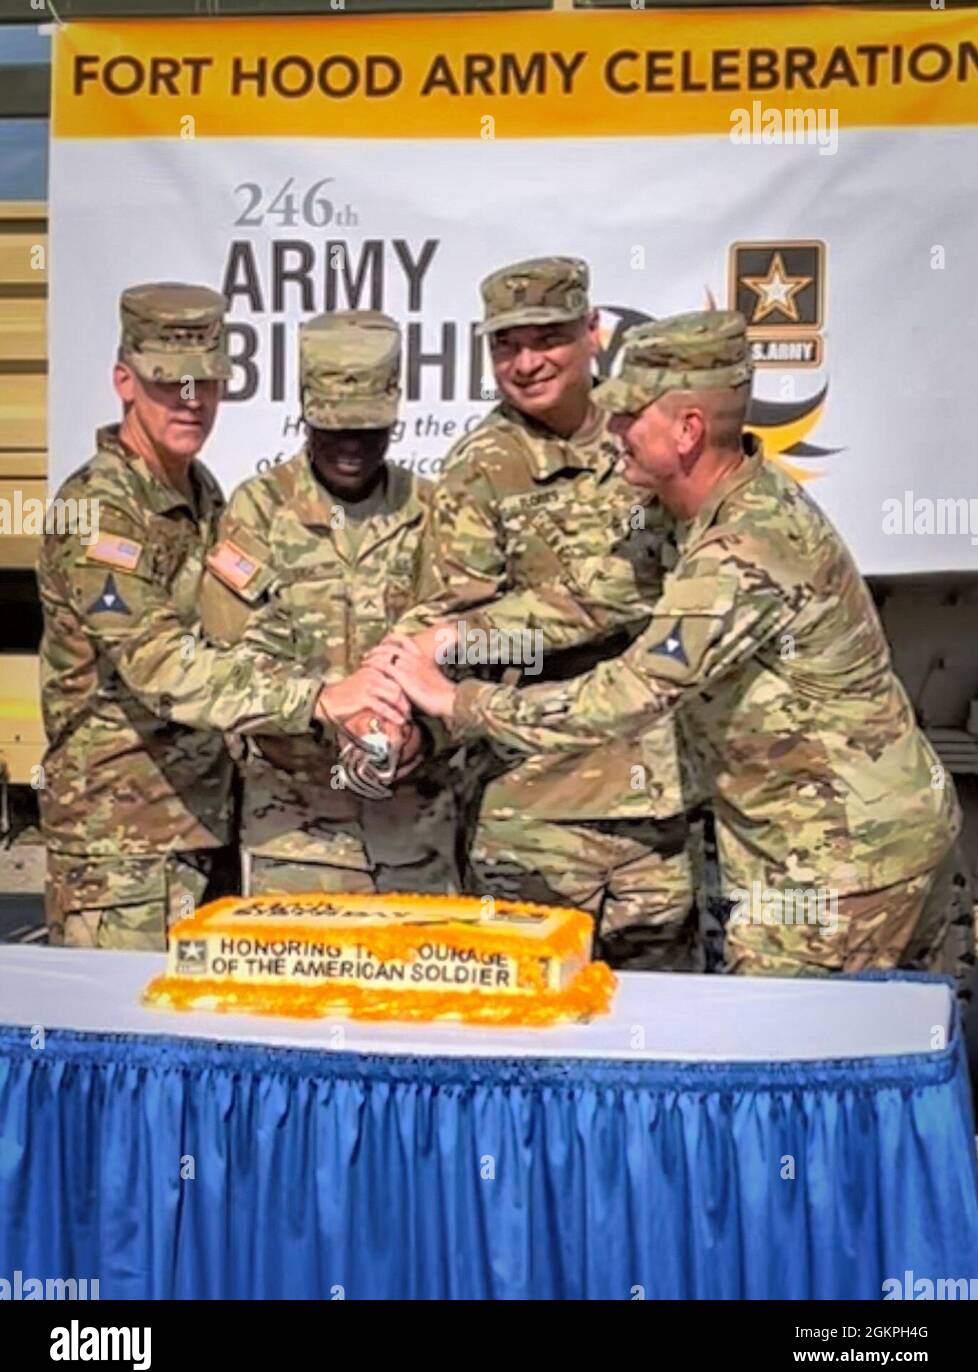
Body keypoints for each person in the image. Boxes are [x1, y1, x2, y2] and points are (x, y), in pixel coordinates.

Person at [372, 310, 963, 975]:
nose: (615, 431)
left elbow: (624, 697)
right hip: (833, 842)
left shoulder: (745, 548)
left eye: (631, 416)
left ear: (687, 432)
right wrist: (450, 639)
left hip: (841, 864)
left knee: (780, 1057)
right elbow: (587, 599)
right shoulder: (684, 515)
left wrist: (458, 703)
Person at [38, 284, 403, 950]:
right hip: (124, 852)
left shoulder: (200, 492)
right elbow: (161, 666)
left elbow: (240, 631)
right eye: (168, 381)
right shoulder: (96, 510)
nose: (190, 400)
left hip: (206, 829)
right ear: (124, 380)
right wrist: (321, 698)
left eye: (206, 382)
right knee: (128, 1047)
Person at [392, 256, 699, 970]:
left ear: (593, 332)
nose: (526, 362)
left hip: (660, 804)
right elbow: (454, 640)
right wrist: (536, 644)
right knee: (531, 1034)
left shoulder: (649, 434)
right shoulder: (481, 467)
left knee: (658, 1033)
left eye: (548, 338)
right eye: (506, 344)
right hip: (535, 810)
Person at [198, 310, 460, 895]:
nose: (352, 446)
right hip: (297, 836)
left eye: (369, 429)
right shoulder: (259, 511)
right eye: (335, 428)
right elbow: (233, 661)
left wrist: (424, 737)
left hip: (414, 834)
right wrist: (324, 710)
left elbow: (469, 646)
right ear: (305, 412)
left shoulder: (433, 511)